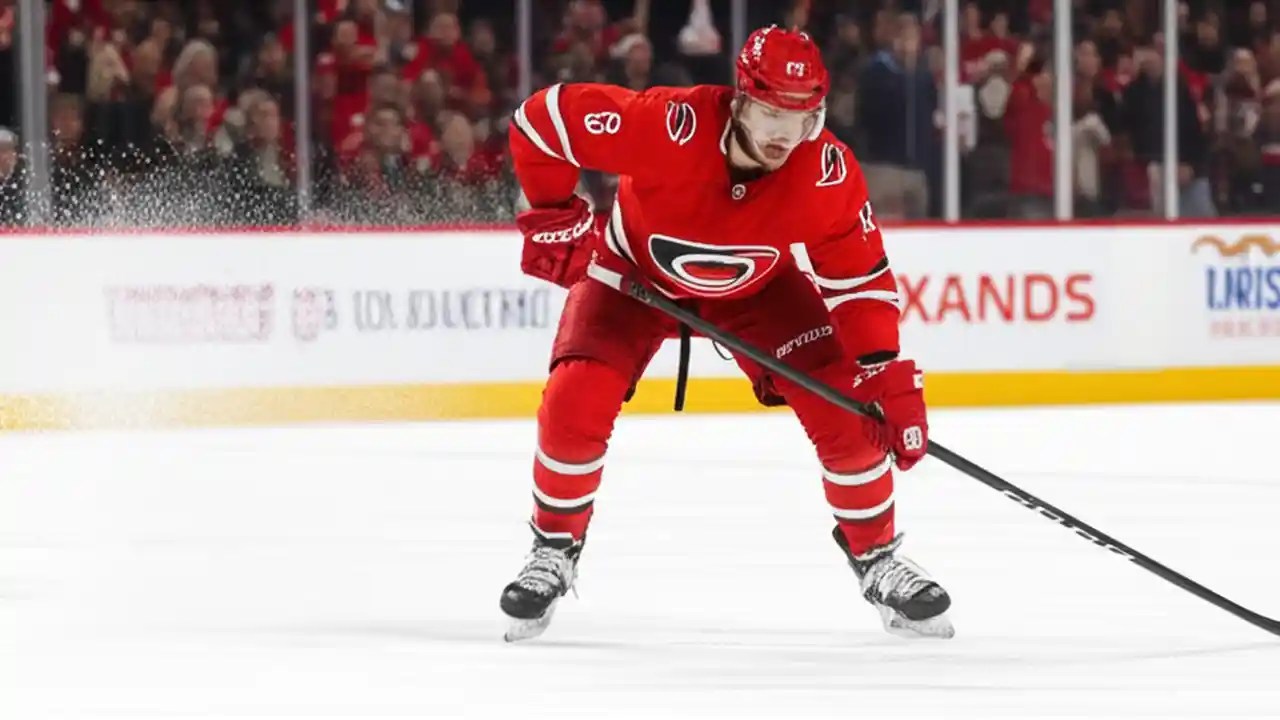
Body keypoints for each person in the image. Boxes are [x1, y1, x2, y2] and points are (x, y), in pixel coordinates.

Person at [499, 26, 953, 642]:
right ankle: (553, 546)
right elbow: (541, 120)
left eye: (797, 117)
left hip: (759, 290)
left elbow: (860, 284)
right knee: (576, 397)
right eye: (767, 111)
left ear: (816, 114)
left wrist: (881, 370)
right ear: (740, 99)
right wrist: (555, 212)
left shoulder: (826, 173)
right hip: (629, 275)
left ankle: (877, 557)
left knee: (848, 409)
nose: (779, 133)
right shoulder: (666, 125)